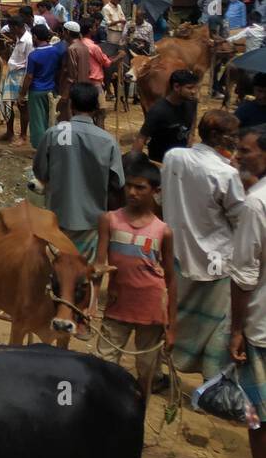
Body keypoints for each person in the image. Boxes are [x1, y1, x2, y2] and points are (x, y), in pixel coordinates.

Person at [161, 110, 246, 379]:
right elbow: (240, 218)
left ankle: (162, 368)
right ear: (221, 138)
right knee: (217, 325)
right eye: (233, 136)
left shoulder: (173, 157)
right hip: (217, 259)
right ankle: (211, 383)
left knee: (172, 313)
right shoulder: (226, 174)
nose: (236, 141)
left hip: (176, 252)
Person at [95, 157, 176, 400]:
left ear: (156, 191)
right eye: (129, 185)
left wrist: (172, 325)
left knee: (146, 371)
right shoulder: (109, 220)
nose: (132, 192)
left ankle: (137, 420)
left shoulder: (163, 231)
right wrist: (90, 304)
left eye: (140, 187)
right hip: (116, 307)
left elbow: (171, 279)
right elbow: (100, 264)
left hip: (151, 312)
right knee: (103, 365)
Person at [32, 83, 124, 261]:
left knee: (55, 275)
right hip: (91, 223)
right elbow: (117, 183)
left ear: (70, 105)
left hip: (56, 219)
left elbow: (40, 172)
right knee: (84, 276)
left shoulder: (53, 133)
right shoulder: (108, 141)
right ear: (96, 107)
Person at [229, 123, 266, 458]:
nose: (237, 157)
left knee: (258, 416)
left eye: (246, 150)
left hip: (261, 326)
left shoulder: (256, 203)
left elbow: (242, 275)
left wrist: (236, 329)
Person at [132, 68, 199, 163]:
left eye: (195, 88)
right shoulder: (158, 110)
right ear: (176, 87)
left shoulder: (192, 102)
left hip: (182, 159)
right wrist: (133, 164)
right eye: (189, 88)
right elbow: (141, 138)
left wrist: (191, 135)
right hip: (160, 161)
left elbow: (193, 118)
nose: (194, 91)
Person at [21, 24, 65, 149]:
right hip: (51, 89)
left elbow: (29, 76)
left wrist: (22, 93)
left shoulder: (33, 55)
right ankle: (55, 145)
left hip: (36, 90)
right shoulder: (56, 51)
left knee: (37, 121)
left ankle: (41, 147)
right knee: (50, 117)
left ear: (35, 37)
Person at [0, 17, 32, 145]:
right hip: (12, 73)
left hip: (21, 75)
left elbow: (29, 64)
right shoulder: (19, 38)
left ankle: (23, 136)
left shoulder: (28, 41)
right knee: (7, 103)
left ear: (17, 28)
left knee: (22, 106)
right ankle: (9, 132)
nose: (11, 32)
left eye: (12, 29)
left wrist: (25, 85)